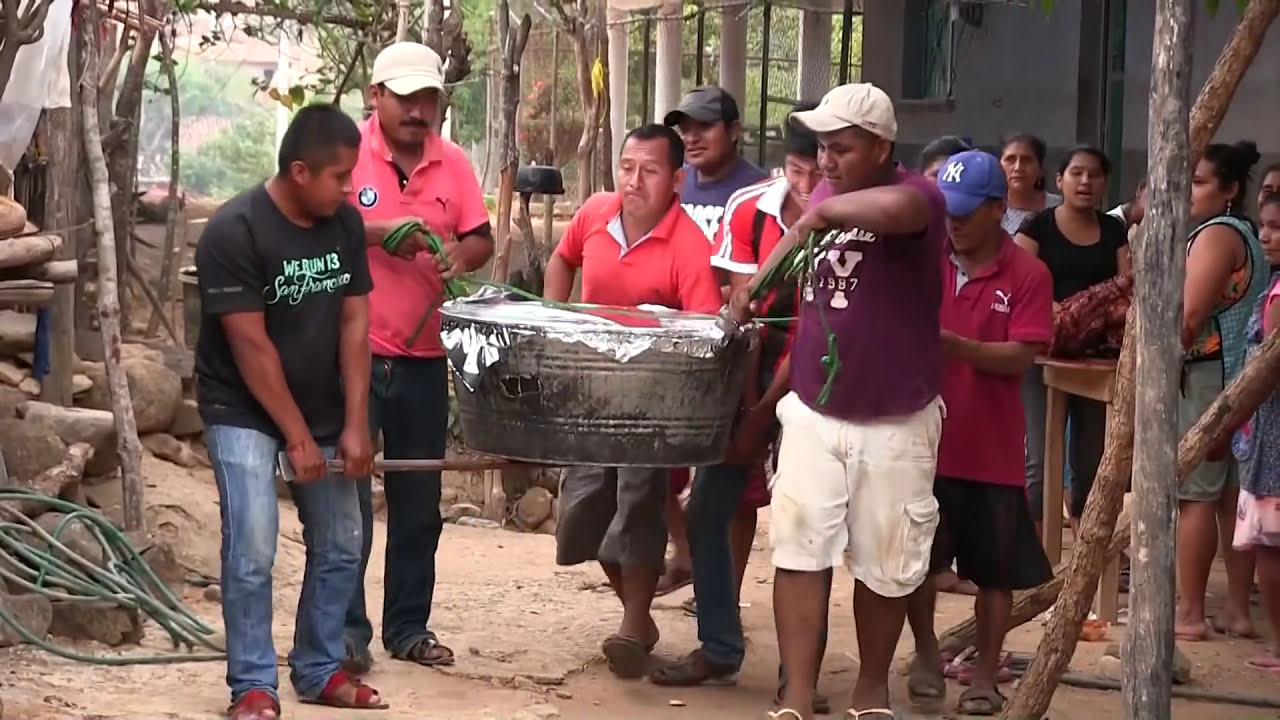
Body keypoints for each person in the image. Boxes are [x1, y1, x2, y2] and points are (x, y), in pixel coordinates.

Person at [728, 82, 948, 720]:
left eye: (842, 148)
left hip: (897, 415)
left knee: (886, 563)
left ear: (882, 147)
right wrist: (755, 288)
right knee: (800, 549)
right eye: (821, 147)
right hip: (816, 411)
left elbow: (893, 212)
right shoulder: (827, 194)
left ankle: (870, 694)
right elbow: (798, 240)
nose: (826, 161)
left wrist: (820, 214)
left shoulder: (920, 199)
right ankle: (796, 697)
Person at [195, 104, 383, 719]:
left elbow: (355, 323)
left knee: (342, 543)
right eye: (340, 176)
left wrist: (356, 423)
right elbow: (250, 347)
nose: (350, 188)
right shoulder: (234, 231)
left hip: (324, 402)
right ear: (300, 172)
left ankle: (319, 667)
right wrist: (296, 439)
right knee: (251, 544)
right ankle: (253, 683)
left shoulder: (345, 226)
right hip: (242, 405)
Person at [651, 106, 828, 705]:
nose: (808, 187)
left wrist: (761, 413)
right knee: (706, 511)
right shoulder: (750, 208)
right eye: (800, 171)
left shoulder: (852, 217)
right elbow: (740, 312)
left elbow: (815, 338)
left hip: (824, 381)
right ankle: (720, 647)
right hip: (754, 369)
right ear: (787, 164)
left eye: (818, 172)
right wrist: (748, 409)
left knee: (807, 530)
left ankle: (797, 675)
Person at [545, 123, 723, 680]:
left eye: (649, 170)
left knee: (639, 503)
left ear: (677, 179)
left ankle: (632, 623)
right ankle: (638, 619)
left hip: (653, 403)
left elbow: (705, 334)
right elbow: (561, 258)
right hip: (589, 390)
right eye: (627, 167)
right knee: (582, 511)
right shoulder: (594, 214)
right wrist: (553, 318)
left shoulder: (690, 247)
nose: (634, 180)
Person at [343, 41, 494, 673]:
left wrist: (461, 256)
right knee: (346, 501)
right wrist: (377, 231)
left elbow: (481, 236)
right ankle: (346, 631)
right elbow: (308, 223)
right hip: (349, 352)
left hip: (426, 357)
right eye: (404, 98)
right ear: (375, 97)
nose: (416, 110)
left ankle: (408, 627)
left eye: (426, 98)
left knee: (417, 501)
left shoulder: (453, 163)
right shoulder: (345, 152)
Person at [903, 150, 1055, 716]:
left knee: (994, 573)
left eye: (967, 211)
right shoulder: (924, 262)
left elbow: (1020, 356)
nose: (955, 222)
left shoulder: (1028, 274)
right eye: (947, 210)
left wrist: (957, 348)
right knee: (915, 562)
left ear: (999, 208)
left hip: (990, 449)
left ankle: (985, 676)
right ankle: (924, 654)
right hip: (923, 443)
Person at [657, 85, 769, 598]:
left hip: (736, 359)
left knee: (736, 487)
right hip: (674, 352)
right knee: (657, 466)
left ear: (735, 131)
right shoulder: (675, 186)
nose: (692, 136)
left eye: (704, 126)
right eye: (685, 127)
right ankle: (685, 555)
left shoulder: (760, 194)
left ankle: (727, 590)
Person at [1175, 140, 1268, 642]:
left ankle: (1189, 613)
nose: (1188, 191)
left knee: (1195, 498)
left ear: (1229, 190)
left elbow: (1189, 317)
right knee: (1232, 497)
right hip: (1241, 379)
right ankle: (1236, 609)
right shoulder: (1248, 235)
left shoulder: (1214, 235)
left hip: (1210, 375)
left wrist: (1159, 363)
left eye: (1199, 182)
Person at [1014, 146, 1130, 537]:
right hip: (1042, 350)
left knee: (1091, 453)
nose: (1085, 182)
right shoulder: (1037, 227)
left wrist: (1087, 319)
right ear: (1059, 179)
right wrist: (1059, 317)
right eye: (1076, 173)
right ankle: (1033, 539)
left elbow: (1126, 286)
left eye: (1094, 175)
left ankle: (1086, 536)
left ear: (1104, 183)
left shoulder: (1114, 231)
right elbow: (1017, 282)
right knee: (1041, 454)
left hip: (1097, 358)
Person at [1233, 192, 1280, 672]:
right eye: (1264, 225)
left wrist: (1227, 419)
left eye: (1277, 228)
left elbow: (1267, 373)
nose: (1265, 236)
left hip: (1273, 440)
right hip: (1266, 432)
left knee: (1270, 545)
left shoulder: (1279, 296)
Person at [999, 133, 1062, 234]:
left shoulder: (1059, 207)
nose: (1018, 168)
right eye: (1010, 160)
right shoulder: (991, 211)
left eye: (1027, 160)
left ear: (1041, 169)